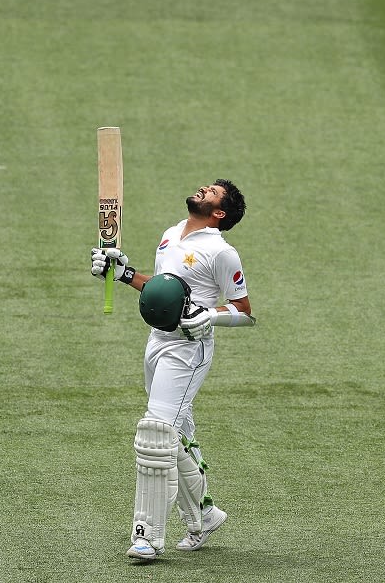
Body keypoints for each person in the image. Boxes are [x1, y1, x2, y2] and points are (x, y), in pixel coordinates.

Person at [90, 179, 256, 560]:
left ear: (219, 213)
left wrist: (209, 317)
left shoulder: (222, 252)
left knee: (155, 432)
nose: (203, 188)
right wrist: (123, 274)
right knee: (172, 434)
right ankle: (203, 512)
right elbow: (164, 291)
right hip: (157, 342)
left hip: (188, 349)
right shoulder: (170, 234)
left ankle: (146, 535)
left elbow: (243, 312)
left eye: (212, 192)